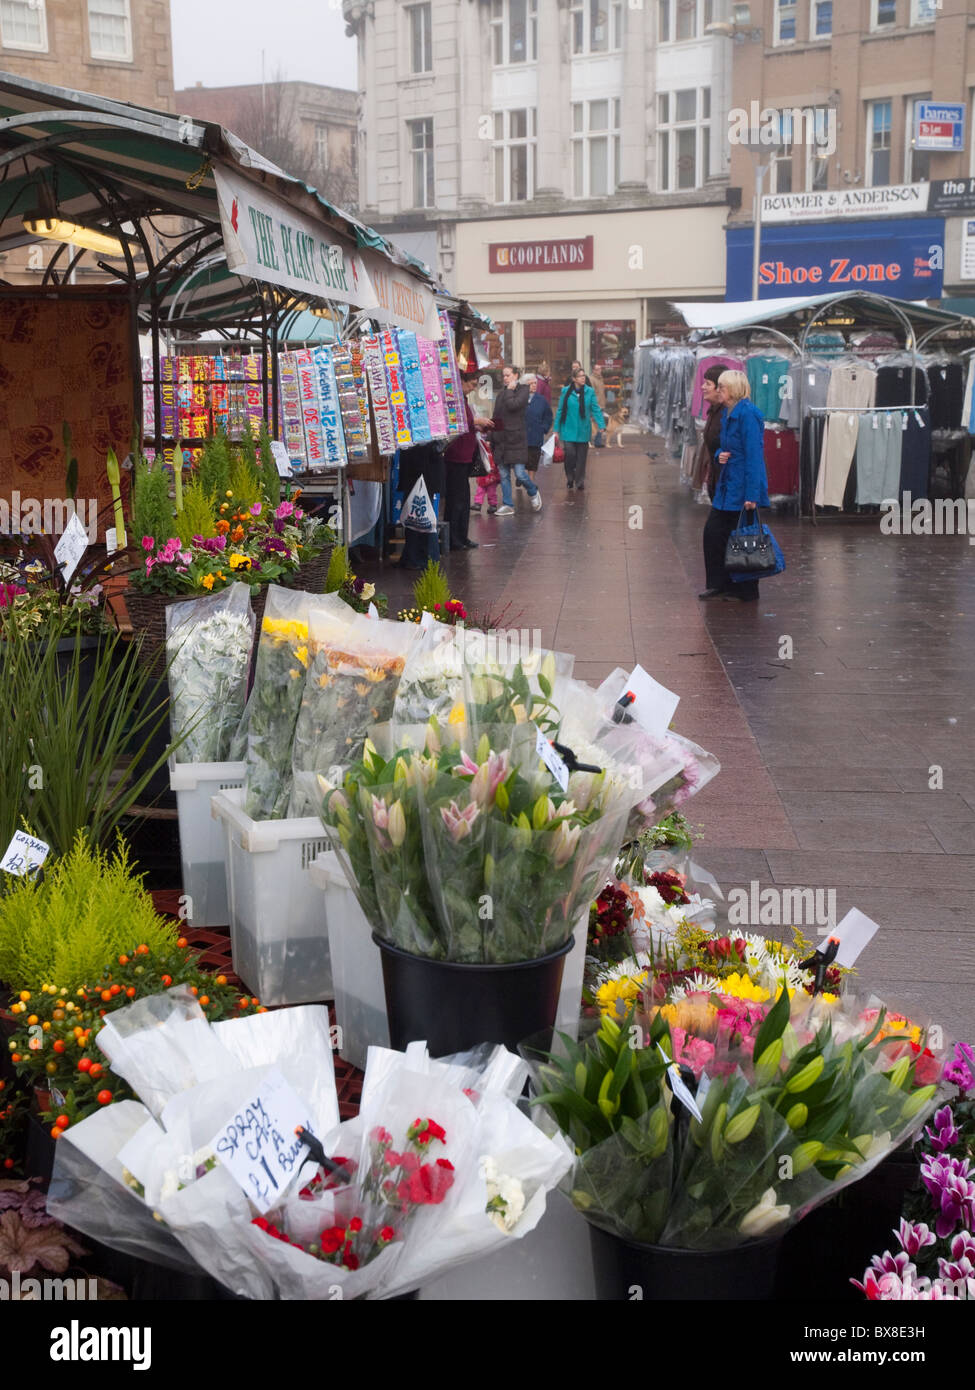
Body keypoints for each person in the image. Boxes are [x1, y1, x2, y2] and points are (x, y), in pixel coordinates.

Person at [700, 370, 770, 603]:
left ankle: (745, 589)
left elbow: (753, 455)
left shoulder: (748, 414)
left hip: (741, 487)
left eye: (721, 386)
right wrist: (720, 454)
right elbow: (727, 446)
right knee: (715, 534)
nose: (717, 390)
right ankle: (720, 584)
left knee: (743, 537)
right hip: (727, 485)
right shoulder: (729, 413)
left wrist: (752, 494)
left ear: (733, 389)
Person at [444, 370, 493, 549]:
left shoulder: (463, 399)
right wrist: (477, 421)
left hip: (464, 455)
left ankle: (462, 536)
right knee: (456, 499)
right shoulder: (454, 399)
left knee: (463, 499)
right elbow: (457, 422)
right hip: (455, 456)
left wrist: (478, 426)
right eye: (472, 385)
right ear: (462, 381)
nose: (473, 389)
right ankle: (455, 539)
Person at [489, 364, 541, 514]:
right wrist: (490, 435)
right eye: (503, 375)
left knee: (520, 473)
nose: (505, 378)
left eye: (508, 375)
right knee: (504, 474)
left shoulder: (523, 391)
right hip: (501, 440)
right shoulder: (501, 394)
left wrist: (510, 390)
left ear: (516, 376)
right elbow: (496, 415)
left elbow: (513, 405)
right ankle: (508, 504)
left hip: (516, 439)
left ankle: (533, 491)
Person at [553, 367, 605, 492]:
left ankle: (580, 480)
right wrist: (556, 429)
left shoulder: (589, 391)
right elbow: (560, 410)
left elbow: (595, 408)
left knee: (582, 457)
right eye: (580, 376)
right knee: (570, 454)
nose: (583, 378)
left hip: (583, 429)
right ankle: (570, 476)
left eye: (583, 375)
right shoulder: (566, 391)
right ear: (574, 379)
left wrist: (601, 424)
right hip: (568, 429)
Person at [397, 440, 444, 570]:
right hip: (420, 465)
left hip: (422, 466)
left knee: (420, 513)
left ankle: (424, 557)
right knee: (417, 513)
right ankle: (416, 556)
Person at [699, 364, 725, 501]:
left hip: (728, 488)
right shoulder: (713, 412)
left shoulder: (728, 414)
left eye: (708, 384)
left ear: (719, 388)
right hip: (717, 486)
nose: (702, 387)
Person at [525, 373, 554, 473]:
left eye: (535, 383)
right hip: (521, 437)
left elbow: (548, 416)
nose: (534, 385)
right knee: (522, 463)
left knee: (532, 464)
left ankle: (531, 486)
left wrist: (543, 428)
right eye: (531, 383)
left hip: (536, 437)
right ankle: (523, 478)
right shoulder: (519, 398)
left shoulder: (541, 400)